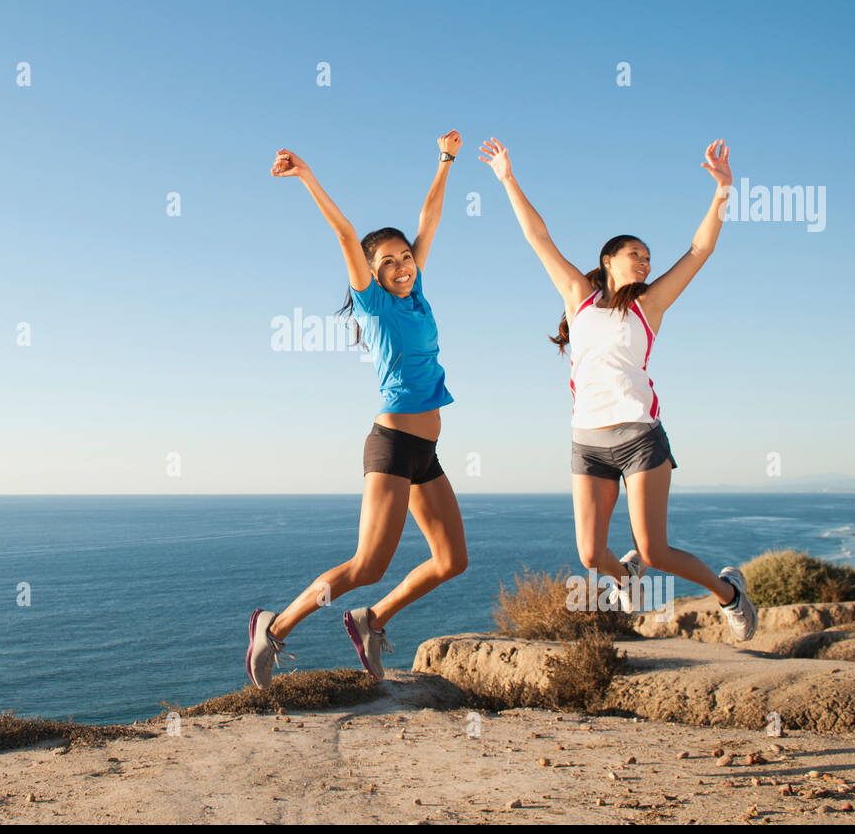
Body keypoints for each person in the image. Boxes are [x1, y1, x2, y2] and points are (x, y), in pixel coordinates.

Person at [480, 136, 757, 640]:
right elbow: (538, 238)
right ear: (608, 259)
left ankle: (730, 594)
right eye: (636, 255)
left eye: (649, 257)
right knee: (590, 554)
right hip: (587, 442)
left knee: (655, 550)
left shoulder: (649, 305)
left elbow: (699, 250)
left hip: (639, 438)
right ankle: (625, 577)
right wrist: (507, 179)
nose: (646, 262)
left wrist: (721, 194)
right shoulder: (578, 298)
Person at [246, 132, 470, 687]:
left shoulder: (417, 295)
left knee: (451, 561)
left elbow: (432, 217)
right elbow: (345, 232)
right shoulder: (373, 303)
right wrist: (306, 175)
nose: (402, 266)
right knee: (366, 565)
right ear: (371, 271)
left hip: (426, 451)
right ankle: (274, 628)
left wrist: (445, 161)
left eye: (407, 258)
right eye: (389, 261)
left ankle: (374, 618)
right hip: (392, 446)